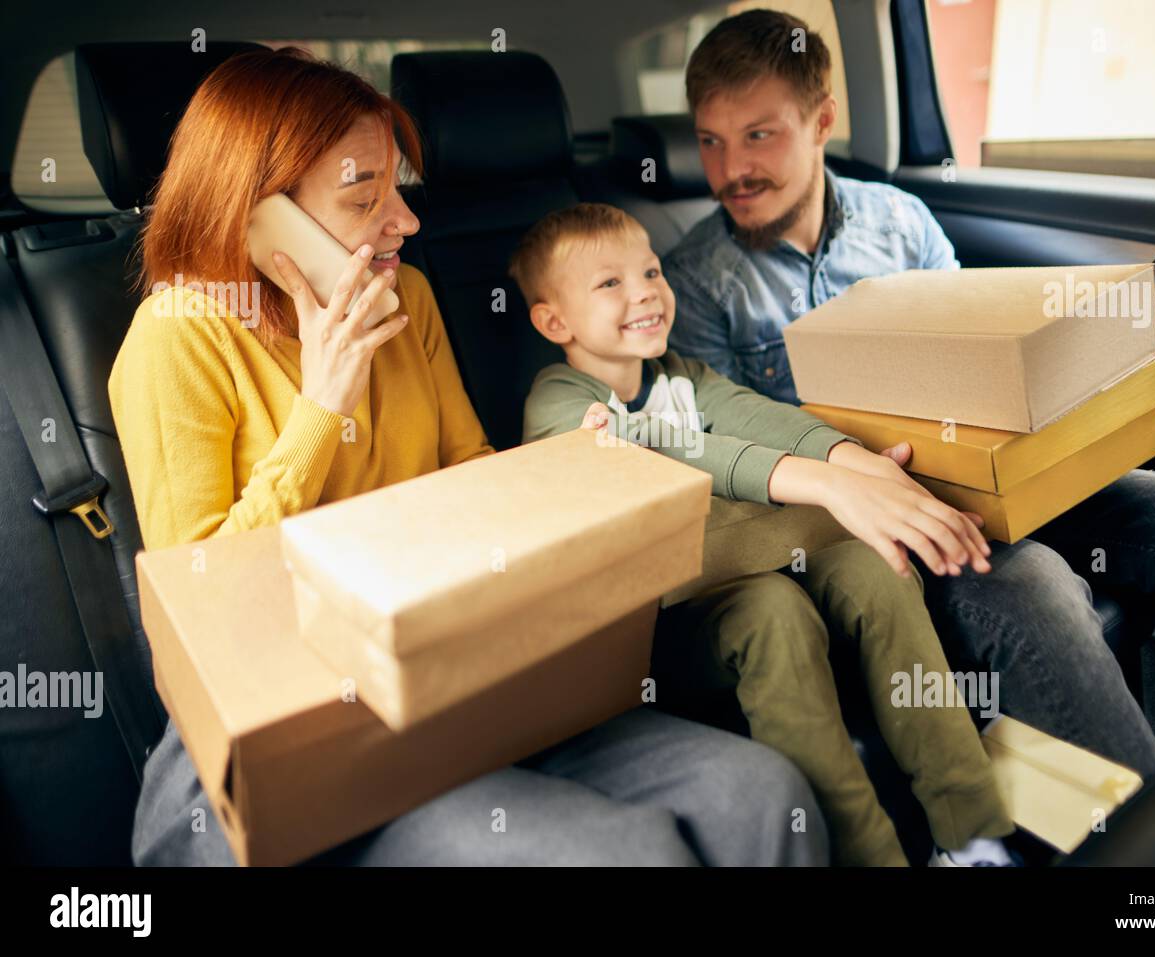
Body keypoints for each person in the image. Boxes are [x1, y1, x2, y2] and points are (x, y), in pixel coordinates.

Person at [109, 47, 829, 866]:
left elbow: (471, 472)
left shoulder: (406, 298)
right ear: (260, 216)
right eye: (362, 198)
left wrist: (572, 478)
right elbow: (207, 614)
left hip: (452, 670)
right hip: (303, 724)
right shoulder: (177, 339)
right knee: (621, 853)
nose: (406, 223)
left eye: (398, 191)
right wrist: (319, 412)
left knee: (765, 797)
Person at [663, 9, 1155, 797]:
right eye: (712, 141)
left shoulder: (900, 222)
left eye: (758, 135)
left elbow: (996, 362)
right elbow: (728, 460)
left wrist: (1139, 390)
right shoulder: (689, 286)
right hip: (864, 526)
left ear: (823, 118)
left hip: (1000, 477)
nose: (731, 171)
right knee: (1036, 584)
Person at [517, 202, 1018, 866]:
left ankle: (971, 832)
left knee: (878, 568)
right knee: (773, 613)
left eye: (651, 271)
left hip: (735, 564)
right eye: (610, 283)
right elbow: (672, 449)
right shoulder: (555, 403)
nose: (643, 291)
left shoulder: (682, 376)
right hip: (654, 627)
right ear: (554, 321)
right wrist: (820, 484)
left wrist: (859, 464)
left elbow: (760, 418)